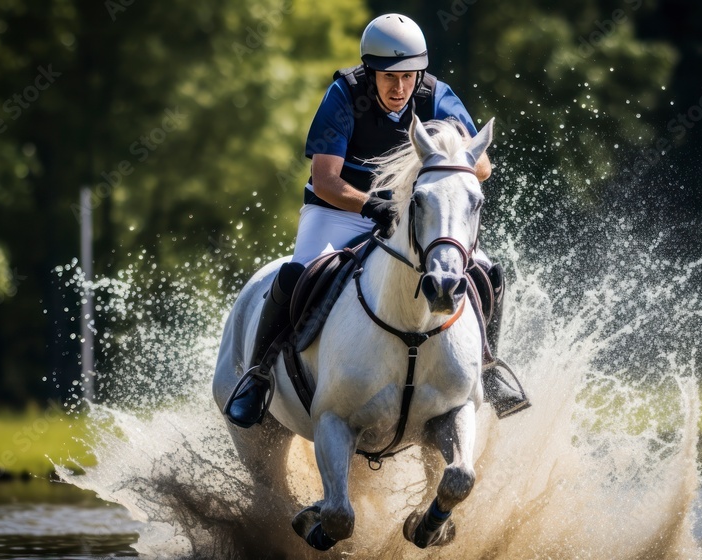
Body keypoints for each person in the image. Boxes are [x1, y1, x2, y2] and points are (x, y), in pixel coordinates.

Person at [225, 13, 529, 428]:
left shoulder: (437, 95)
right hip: (339, 210)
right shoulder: (344, 95)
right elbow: (325, 179)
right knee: (297, 273)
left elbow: (483, 167)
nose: (400, 88)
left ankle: (489, 368)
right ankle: (258, 376)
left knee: (487, 270)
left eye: (408, 76)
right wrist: (370, 204)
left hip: (411, 213)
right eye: (388, 77)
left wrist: (444, 162)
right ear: (370, 71)